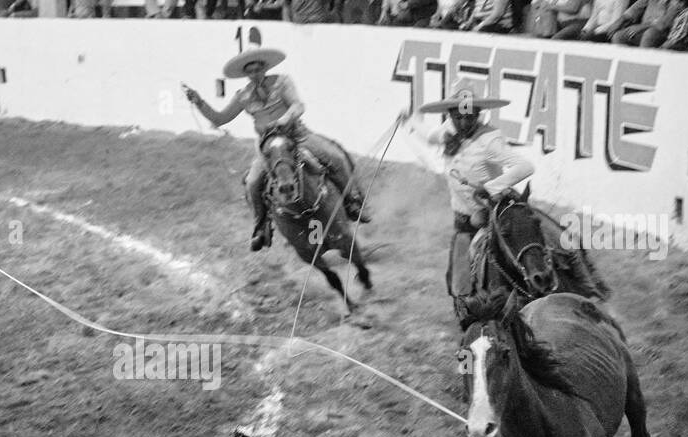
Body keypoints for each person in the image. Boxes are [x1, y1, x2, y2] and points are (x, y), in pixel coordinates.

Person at [182, 47, 370, 252]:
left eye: (257, 68)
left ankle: (352, 201)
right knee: (253, 183)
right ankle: (261, 226)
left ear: (264, 68)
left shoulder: (282, 82)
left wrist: (283, 120)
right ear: (246, 74)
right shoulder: (242, 96)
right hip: (269, 148)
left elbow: (298, 106)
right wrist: (199, 102)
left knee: (336, 157)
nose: (255, 73)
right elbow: (220, 118)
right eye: (250, 71)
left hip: (297, 137)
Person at [399, 86, 534, 318]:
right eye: (458, 116)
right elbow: (429, 136)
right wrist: (410, 120)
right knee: (459, 285)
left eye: (469, 116)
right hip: (464, 223)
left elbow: (525, 167)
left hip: (494, 217)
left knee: (529, 263)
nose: (463, 122)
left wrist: (490, 187)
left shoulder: (490, 140)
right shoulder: (448, 131)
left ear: (478, 114)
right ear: (450, 115)